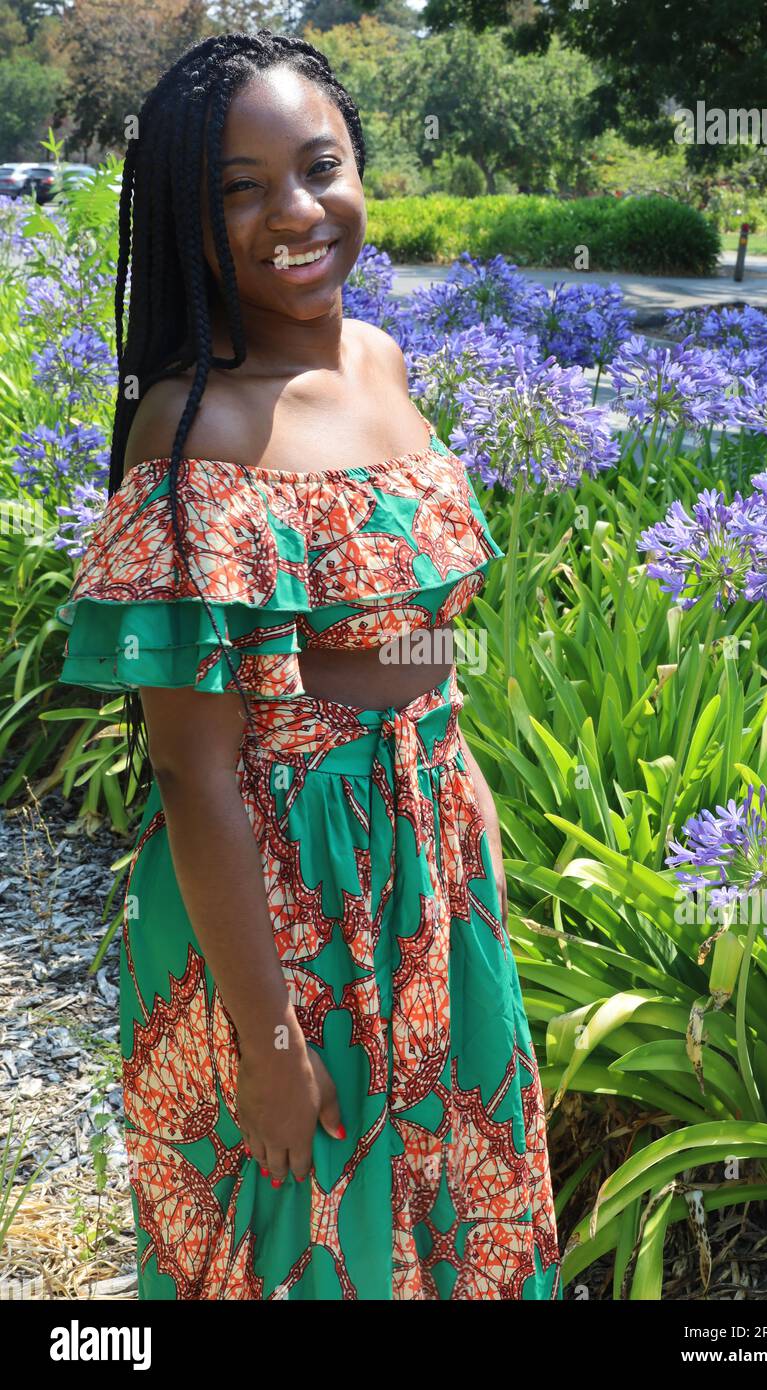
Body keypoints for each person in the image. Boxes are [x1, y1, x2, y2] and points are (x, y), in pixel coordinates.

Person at [54, 28, 563, 1301]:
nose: (294, 211)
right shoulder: (193, 424)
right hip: (285, 890)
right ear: (190, 213)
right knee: (302, 1229)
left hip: (431, 851)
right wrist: (270, 1038)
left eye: (318, 166)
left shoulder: (384, 366)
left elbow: (422, 632)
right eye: (239, 186)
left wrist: (463, 807)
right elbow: (189, 773)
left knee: (458, 1209)